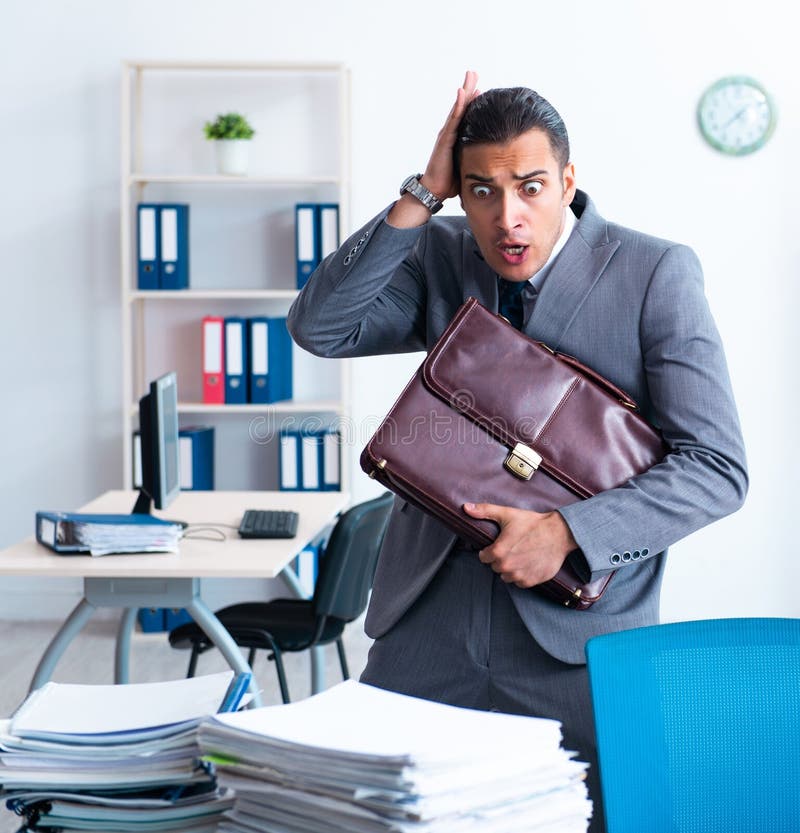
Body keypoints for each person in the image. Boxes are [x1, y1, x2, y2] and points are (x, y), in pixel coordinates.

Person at [287, 71, 747, 832]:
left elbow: (717, 468)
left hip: (577, 644)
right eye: (481, 192)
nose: (508, 218)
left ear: (568, 180)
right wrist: (421, 194)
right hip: (424, 625)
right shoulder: (441, 250)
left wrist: (569, 534)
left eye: (531, 187)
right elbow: (322, 327)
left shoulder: (653, 273)